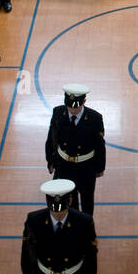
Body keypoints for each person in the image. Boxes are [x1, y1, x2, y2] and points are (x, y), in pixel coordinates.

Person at [46, 84, 107, 217]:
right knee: (69, 200)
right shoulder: (58, 113)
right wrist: (50, 160)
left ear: (84, 102)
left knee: (87, 201)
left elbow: (100, 145)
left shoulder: (94, 118)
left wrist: (99, 167)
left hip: (86, 167)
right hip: (64, 165)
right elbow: (51, 139)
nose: (72, 109)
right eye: (69, 106)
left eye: (76, 106)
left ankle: (87, 228)